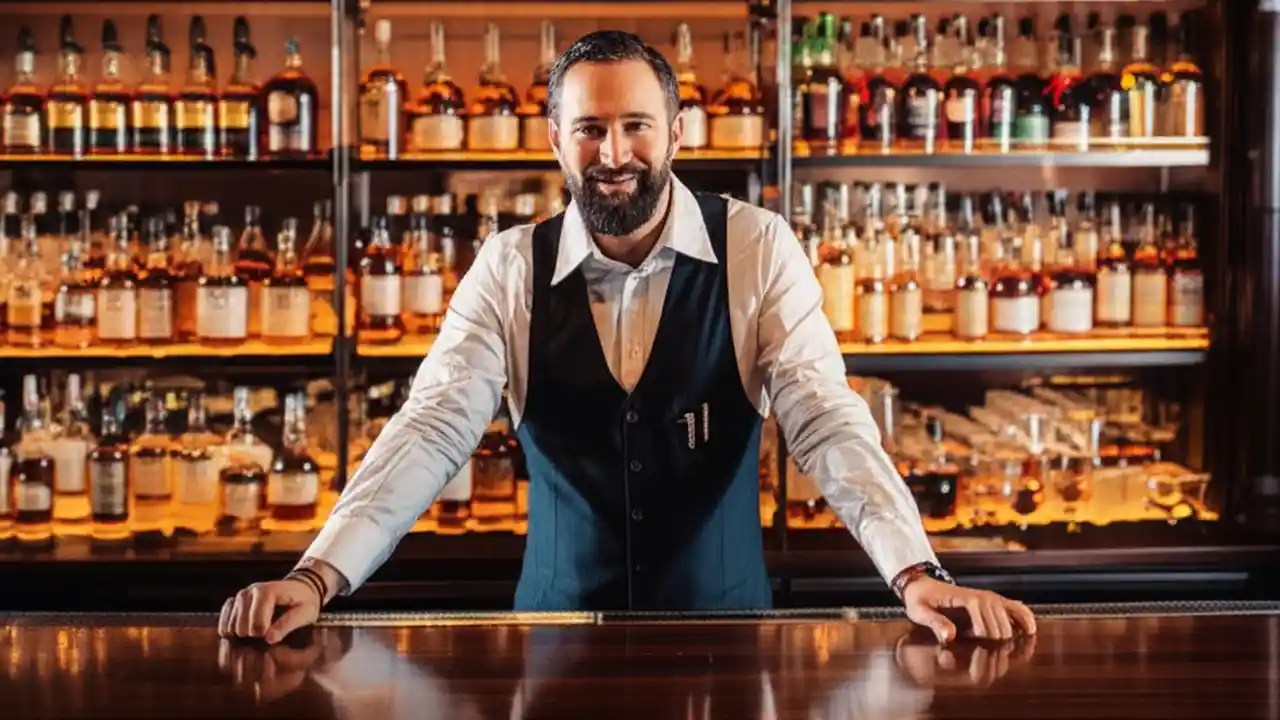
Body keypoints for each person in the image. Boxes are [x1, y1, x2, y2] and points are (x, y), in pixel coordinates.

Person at [219, 30, 1036, 646]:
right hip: (551, 641)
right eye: (590, 129)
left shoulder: (757, 247)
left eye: (637, 126)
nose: (615, 155)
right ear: (555, 142)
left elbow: (824, 418)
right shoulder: (509, 267)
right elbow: (432, 428)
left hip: (726, 640)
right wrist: (320, 572)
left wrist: (913, 572)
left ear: (678, 132)